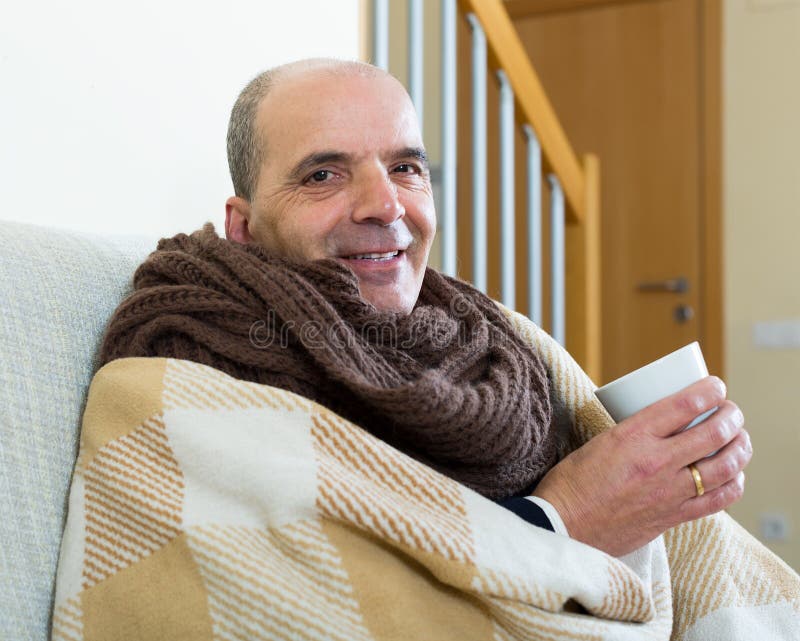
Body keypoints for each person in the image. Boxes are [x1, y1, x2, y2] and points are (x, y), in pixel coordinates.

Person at [104, 58, 752, 559]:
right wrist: (565, 522)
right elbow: (313, 593)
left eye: (407, 168)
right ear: (243, 227)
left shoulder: (488, 339)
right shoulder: (189, 353)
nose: (386, 205)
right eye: (323, 175)